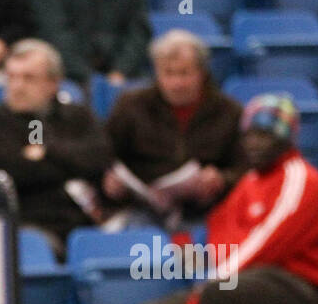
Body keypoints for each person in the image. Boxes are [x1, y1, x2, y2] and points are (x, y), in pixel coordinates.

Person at [111, 96, 318, 304]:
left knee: (220, 296)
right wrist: (180, 248)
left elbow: (262, 247)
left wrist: (199, 297)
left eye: (265, 136)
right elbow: (218, 239)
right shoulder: (248, 183)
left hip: (306, 297)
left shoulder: (302, 180)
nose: (254, 144)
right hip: (239, 286)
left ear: (286, 140)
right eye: (249, 136)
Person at [102, 30, 246, 228]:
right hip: (142, 209)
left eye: (184, 73)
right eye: (168, 73)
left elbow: (246, 167)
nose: (176, 83)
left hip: (206, 211)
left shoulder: (229, 112)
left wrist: (222, 179)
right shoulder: (131, 106)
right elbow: (105, 155)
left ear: (202, 73)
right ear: (156, 73)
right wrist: (110, 181)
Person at [0, 39, 112, 252]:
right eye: (11, 77)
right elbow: (17, 170)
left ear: (53, 83)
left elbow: (99, 158)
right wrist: (70, 165)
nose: (17, 86)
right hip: (31, 224)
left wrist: (47, 150)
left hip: (86, 222)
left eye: (28, 78)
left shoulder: (77, 115)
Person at [30, 0, 150, 86]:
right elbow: (56, 34)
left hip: (121, 75)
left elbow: (138, 33)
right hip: (68, 75)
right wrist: (85, 77)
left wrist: (120, 71)